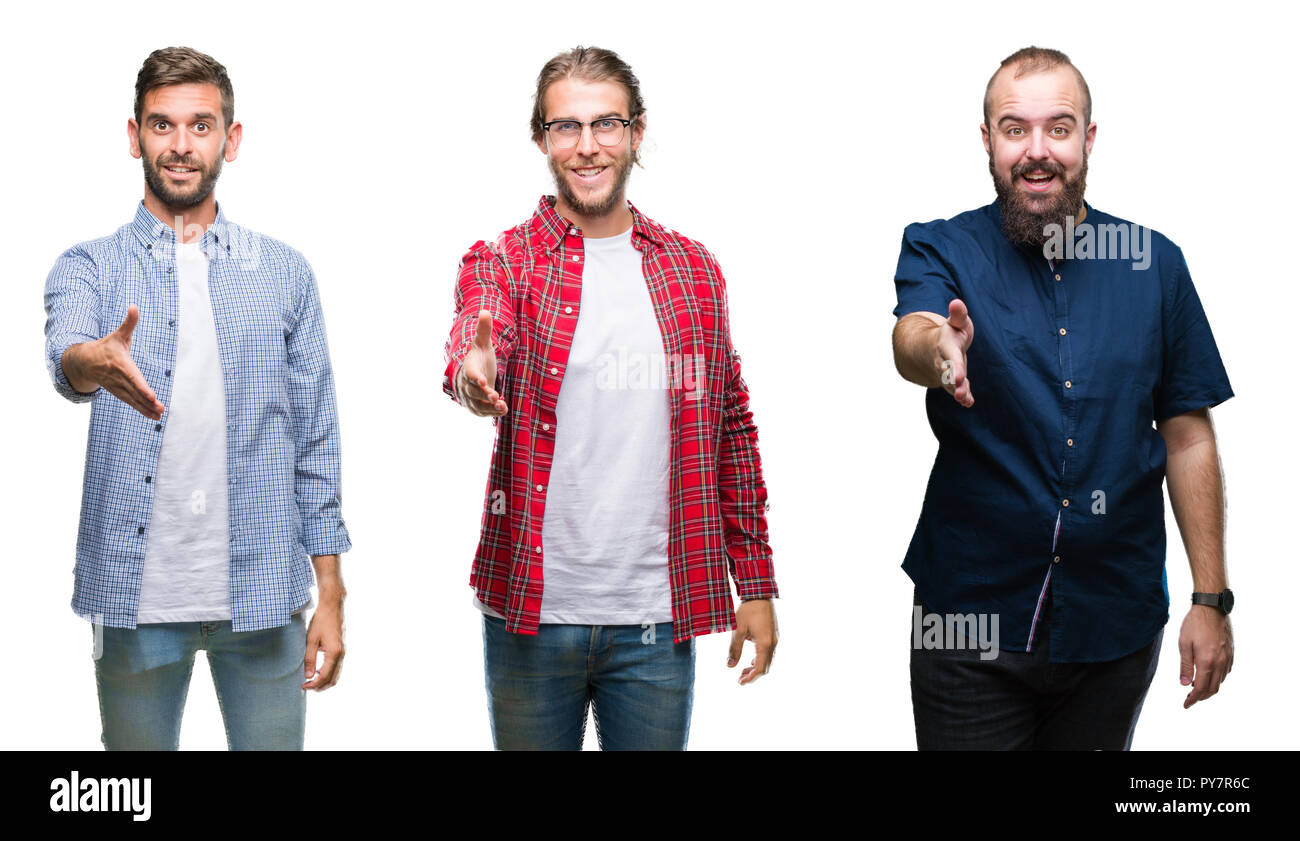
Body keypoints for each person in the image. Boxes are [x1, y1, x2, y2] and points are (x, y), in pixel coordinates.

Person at [891, 46, 1234, 750]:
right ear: (987, 140)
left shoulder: (1155, 265)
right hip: (970, 629)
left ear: (1089, 138)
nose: (1037, 151)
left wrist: (1211, 597)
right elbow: (913, 335)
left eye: (1059, 127)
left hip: (1112, 627)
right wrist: (940, 350)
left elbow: (1188, 432)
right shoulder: (940, 248)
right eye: (1015, 129)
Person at [443, 46, 778, 750]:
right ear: (541, 138)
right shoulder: (502, 259)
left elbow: (732, 430)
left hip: (657, 619)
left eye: (606, 125)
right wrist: (474, 370)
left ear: (636, 132)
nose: (587, 146)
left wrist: (755, 580)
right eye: (566, 127)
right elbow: (481, 331)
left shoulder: (693, 269)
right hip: (530, 613)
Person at [43, 46, 352, 750]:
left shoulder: (283, 272)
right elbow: (69, 358)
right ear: (134, 136)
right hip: (134, 603)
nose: (181, 146)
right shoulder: (88, 265)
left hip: (266, 595)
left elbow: (316, 439)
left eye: (201, 126)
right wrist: (92, 360)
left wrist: (331, 587)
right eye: (161, 126)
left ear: (230, 140)